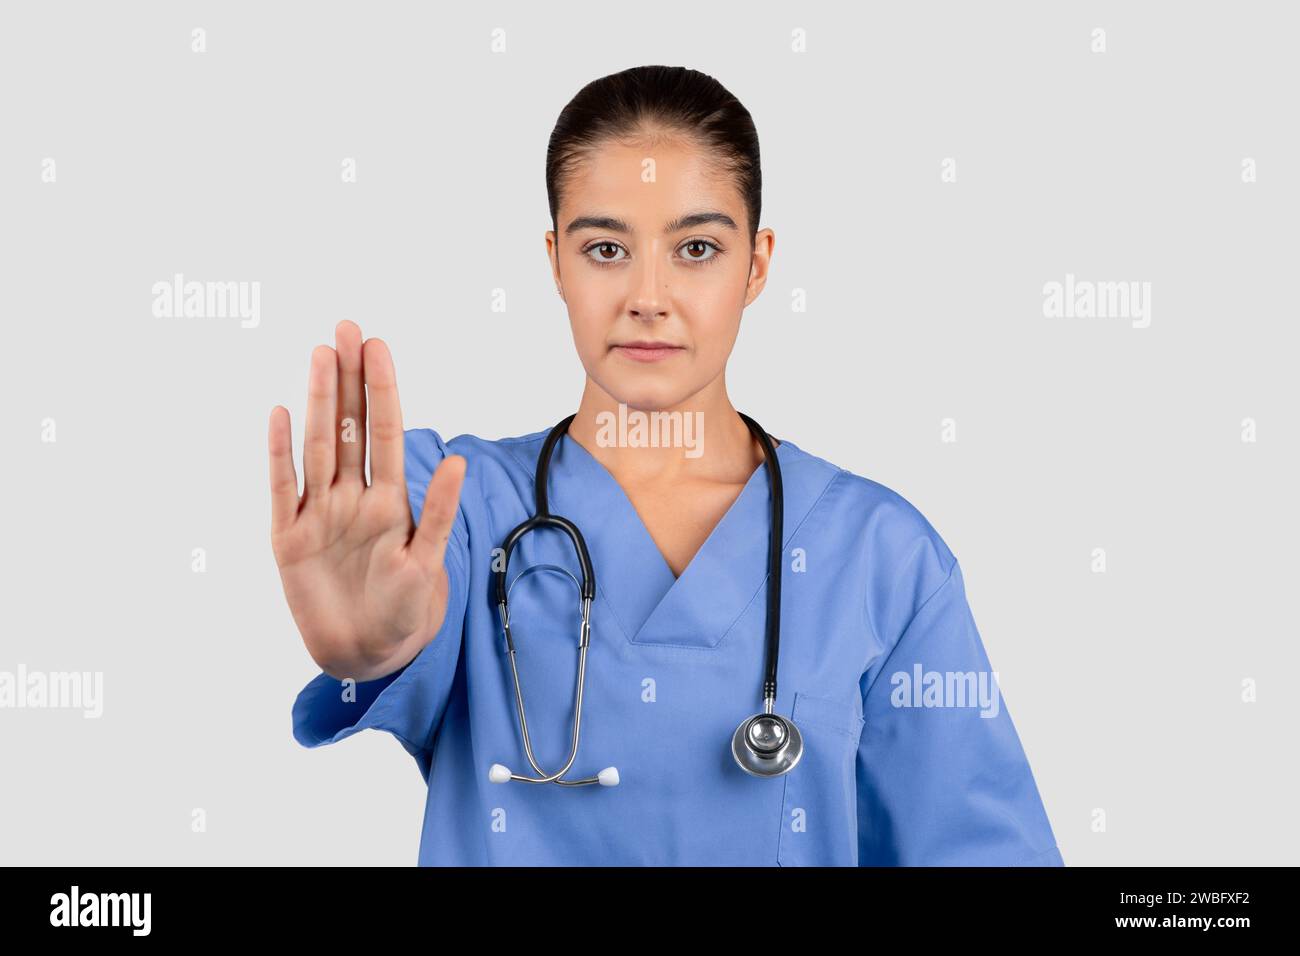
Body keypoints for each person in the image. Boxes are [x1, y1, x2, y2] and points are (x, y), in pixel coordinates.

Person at [268, 65, 1064, 866]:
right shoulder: (461, 512)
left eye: (696, 248)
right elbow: (388, 592)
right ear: (556, 263)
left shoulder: (881, 557)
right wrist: (370, 653)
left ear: (756, 265)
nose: (649, 296)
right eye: (606, 248)